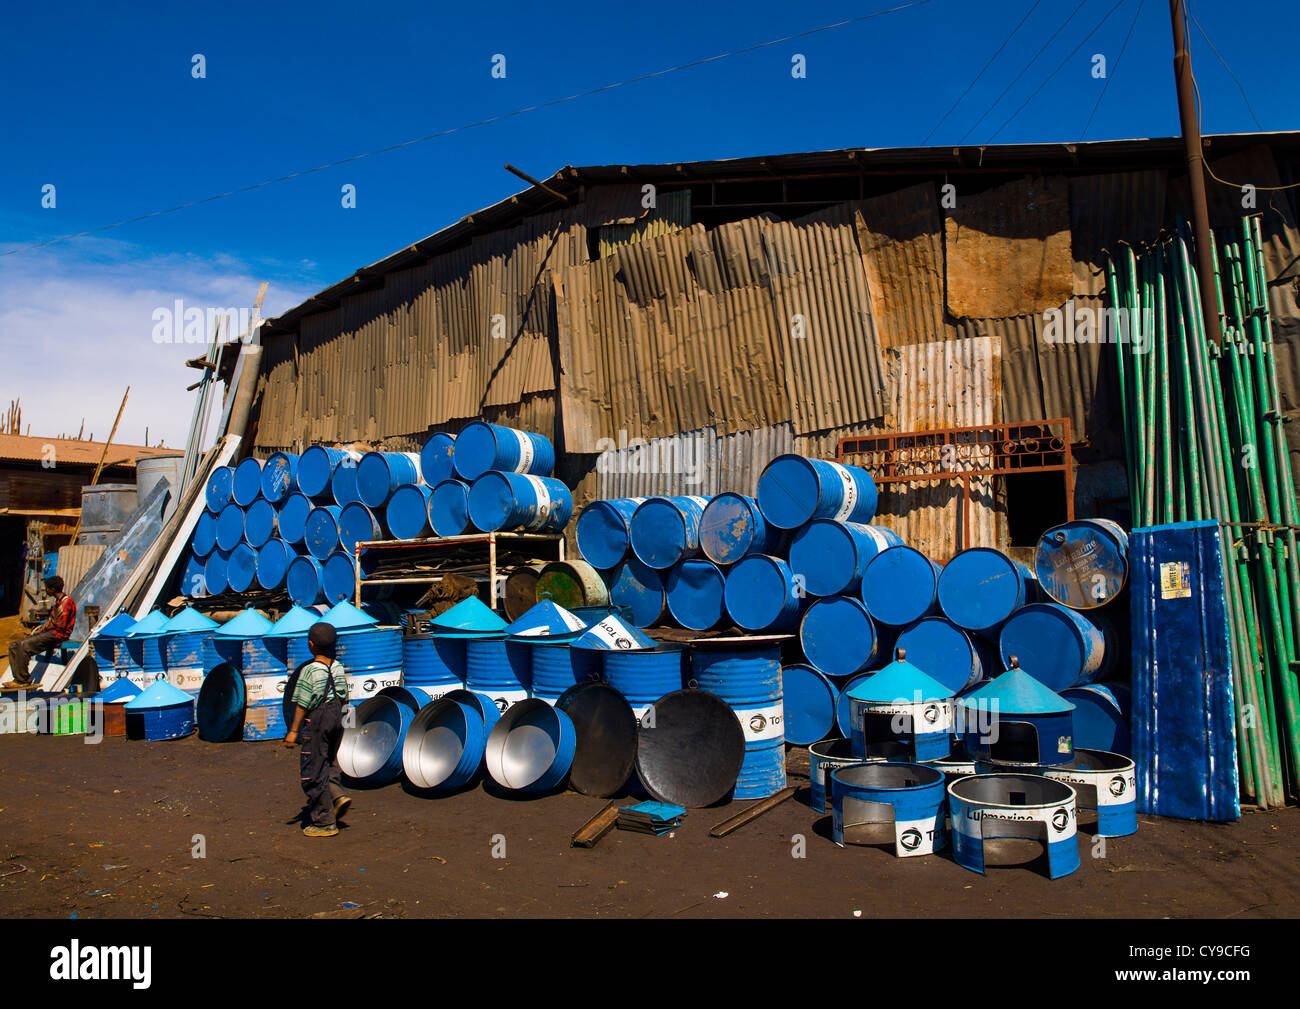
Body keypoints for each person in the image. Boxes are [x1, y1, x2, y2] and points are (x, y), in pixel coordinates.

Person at [283, 622, 352, 837]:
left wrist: (293, 731)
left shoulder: (309, 671)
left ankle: (324, 822)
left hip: (319, 720)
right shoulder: (338, 667)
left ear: (310, 645)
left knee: (313, 769)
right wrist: (349, 725)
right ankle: (337, 795)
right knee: (328, 759)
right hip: (338, 718)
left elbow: (302, 703)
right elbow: (345, 697)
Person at [8, 576, 76, 686]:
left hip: (58, 635)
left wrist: (47, 626)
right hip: (51, 633)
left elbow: (61, 625)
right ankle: (17, 678)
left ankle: (23, 680)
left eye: (47, 588)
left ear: (52, 589)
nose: (46, 590)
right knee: (14, 646)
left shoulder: (66, 603)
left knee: (24, 646)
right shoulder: (58, 603)